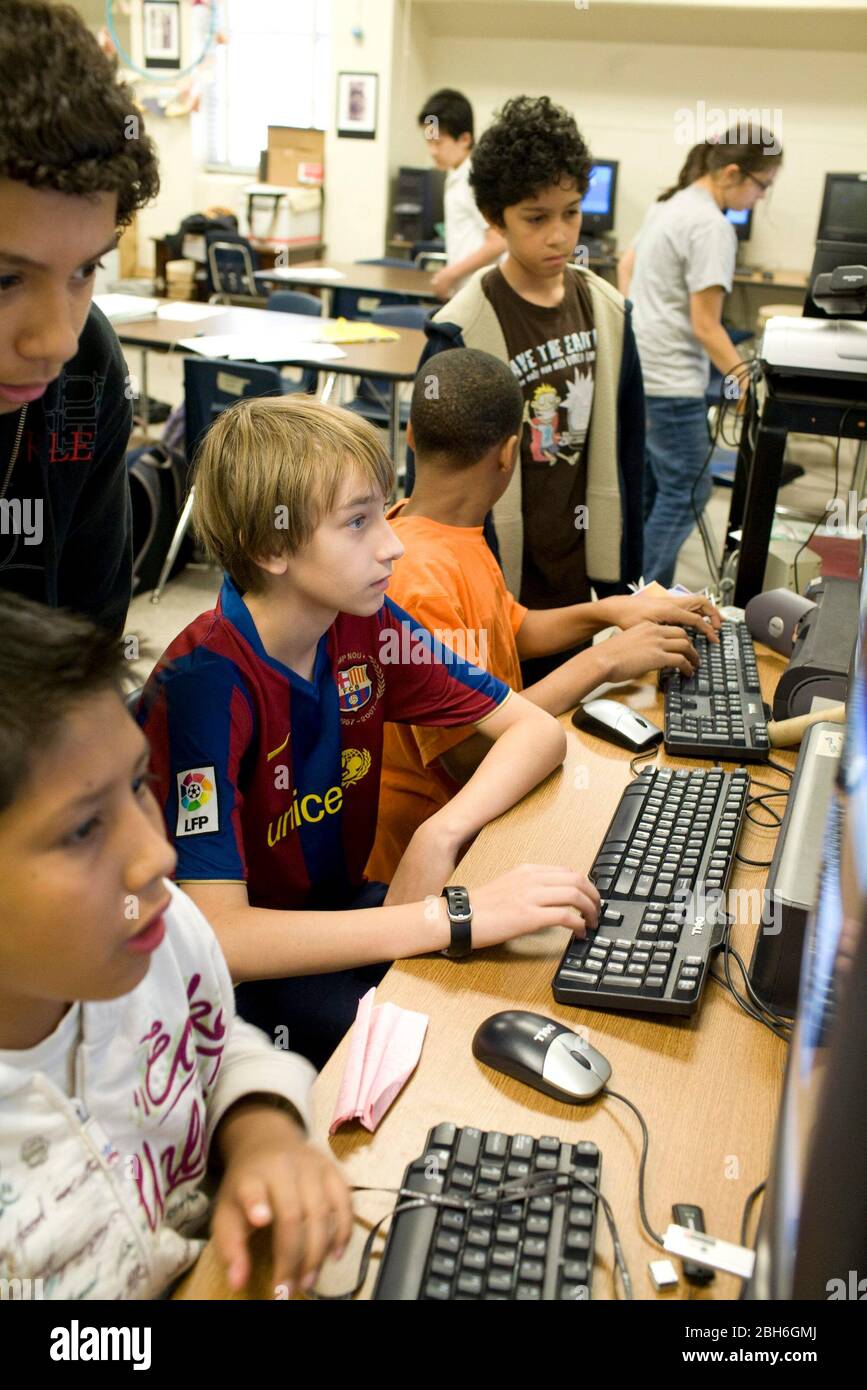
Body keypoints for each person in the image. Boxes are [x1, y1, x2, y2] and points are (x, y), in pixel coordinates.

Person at [139, 396, 600, 1069]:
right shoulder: (204, 684)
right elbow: (222, 937)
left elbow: (534, 732)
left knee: (525, 978)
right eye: (357, 523)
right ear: (272, 546)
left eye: (383, 511)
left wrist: (438, 833)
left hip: (342, 914)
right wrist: (452, 918)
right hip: (238, 987)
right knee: (447, 1047)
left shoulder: (365, 625)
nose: (393, 543)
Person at [0, 592, 352, 1300]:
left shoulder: (155, 931)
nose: (157, 854)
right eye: (81, 830)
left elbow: (223, 1047)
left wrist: (262, 1132)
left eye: (138, 785)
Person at [367, 349, 720, 879]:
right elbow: (471, 754)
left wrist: (610, 613)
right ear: (509, 453)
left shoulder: (442, 530)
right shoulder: (421, 577)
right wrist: (601, 664)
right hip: (434, 857)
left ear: (411, 434)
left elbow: (510, 630)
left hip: (481, 817)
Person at [410, 95, 646, 686]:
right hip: (495, 589)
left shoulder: (610, 312)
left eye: (571, 213)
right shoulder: (461, 329)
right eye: (536, 218)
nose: (560, 235)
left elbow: (630, 456)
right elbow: (435, 490)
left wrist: (626, 581)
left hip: (580, 581)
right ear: (495, 217)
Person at [0, 0, 161, 635]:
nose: (57, 339)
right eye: (5, 278)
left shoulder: (89, 370)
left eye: (84, 270)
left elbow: (91, 634)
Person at [627, 130, 782, 588]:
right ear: (732, 173)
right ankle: (644, 599)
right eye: (762, 186)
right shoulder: (711, 225)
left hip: (642, 369)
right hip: (671, 380)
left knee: (656, 492)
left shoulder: (667, 205)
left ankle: (636, 594)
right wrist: (745, 388)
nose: (760, 198)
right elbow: (706, 325)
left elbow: (626, 268)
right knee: (690, 492)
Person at [418, 88, 506, 299]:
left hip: (481, 294)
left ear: (465, 139)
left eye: (438, 143)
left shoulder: (473, 178)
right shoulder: (456, 173)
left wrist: (450, 274)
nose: (432, 151)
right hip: (467, 293)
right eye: (428, 142)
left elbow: (499, 241)